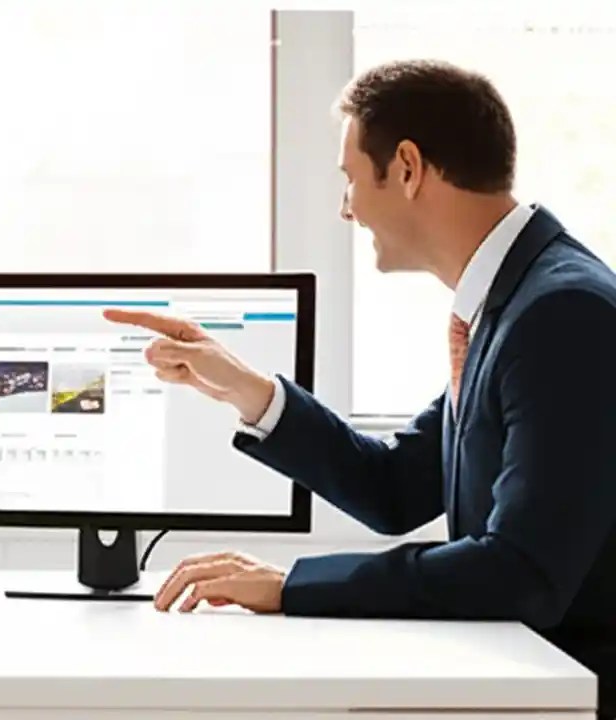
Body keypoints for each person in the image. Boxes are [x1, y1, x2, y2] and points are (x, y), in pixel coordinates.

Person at [106, 59, 616, 716]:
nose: (346, 208)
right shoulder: (511, 305)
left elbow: (521, 573)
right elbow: (398, 487)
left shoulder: (561, 313)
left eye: (349, 179)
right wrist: (249, 392)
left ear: (406, 168)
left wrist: (291, 584)